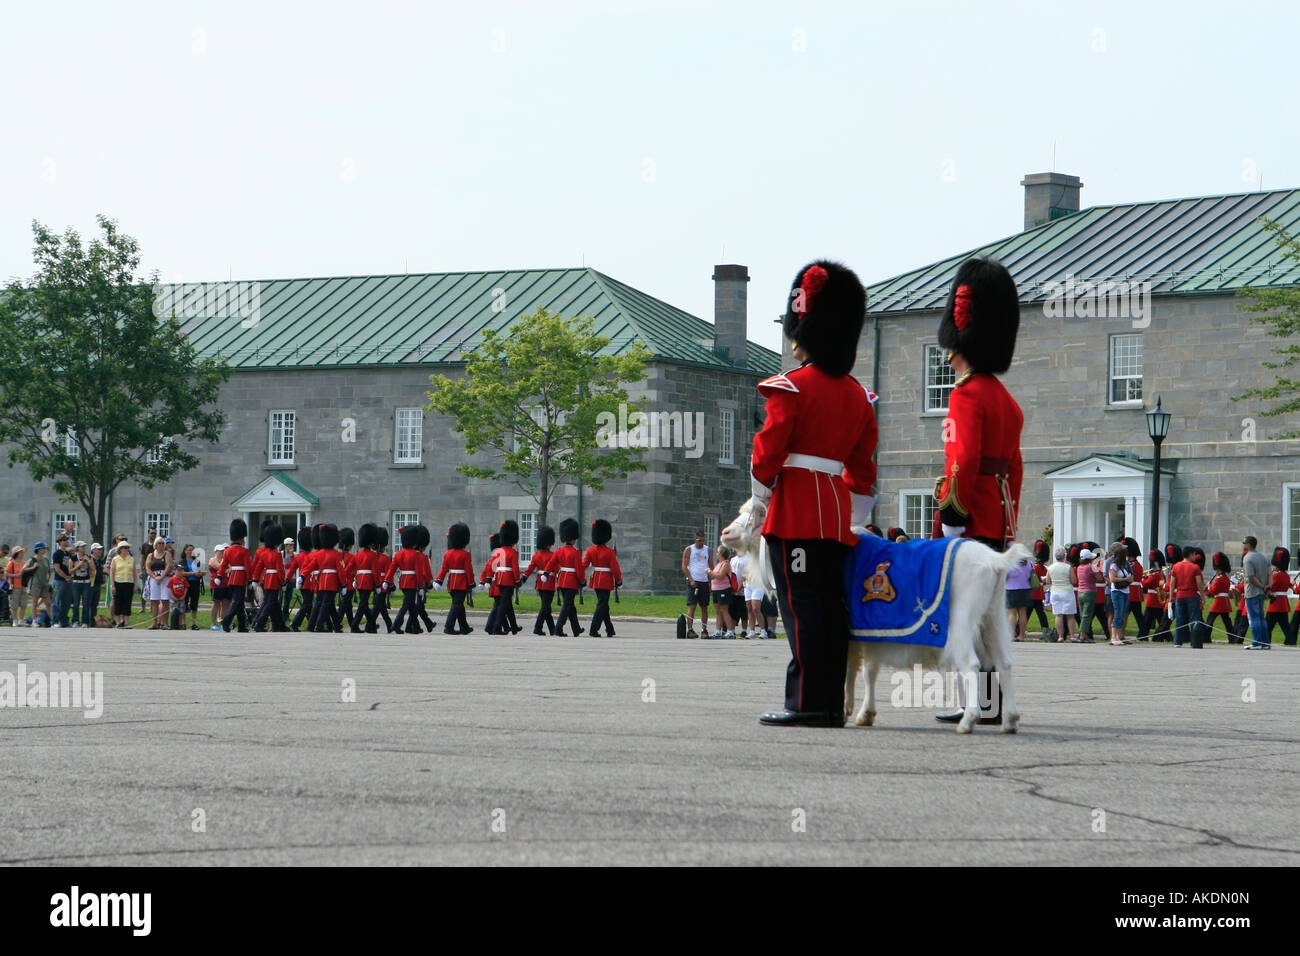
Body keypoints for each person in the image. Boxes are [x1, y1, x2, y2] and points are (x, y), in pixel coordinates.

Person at [752, 260, 878, 728]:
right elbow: (864, 467)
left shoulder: (792, 387)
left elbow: (768, 452)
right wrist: (857, 517)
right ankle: (828, 701)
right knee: (830, 606)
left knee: (802, 610)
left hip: (796, 511)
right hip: (837, 512)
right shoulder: (857, 395)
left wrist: (757, 504)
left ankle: (809, 702)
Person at [434, 522, 475, 635]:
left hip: (451, 583)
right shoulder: (466, 554)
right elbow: (469, 571)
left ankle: (464, 627)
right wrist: (472, 584)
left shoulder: (448, 554)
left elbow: (444, 569)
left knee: (459, 606)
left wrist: (439, 580)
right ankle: (448, 627)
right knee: (457, 605)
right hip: (461, 583)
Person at [584, 519, 621, 638]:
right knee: (602, 604)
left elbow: (583, 565)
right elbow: (615, 568)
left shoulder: (590, 550)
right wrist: (619, 580)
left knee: (604, 605)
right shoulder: (610, 552)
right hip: (605, 580)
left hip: (595, 579)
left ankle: (610, 629)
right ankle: (593, 629)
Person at [549, 519, 585, 637]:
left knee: (570, 605)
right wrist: (582, 580)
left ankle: (576, 629)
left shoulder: (559, 551)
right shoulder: (575, 553)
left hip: (561, 580)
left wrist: (545, 573)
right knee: (567, 605)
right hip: (571, 582)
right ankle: (558, 628)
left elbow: (551, 563)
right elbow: (579, 569)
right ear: (572, 538)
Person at [1168, 545, 1207, 648]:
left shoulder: (1176, 566)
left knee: (1180, 619)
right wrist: (1202, 596)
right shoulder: (1195, 567)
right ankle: (1195, 641)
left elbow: (1172, 583)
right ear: (1190, 555)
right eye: (1194, 554)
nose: (1195, 556)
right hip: (1192, 595)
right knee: (1194, 619)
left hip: (1180, 595)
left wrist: (1171, 595)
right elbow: (1199, 583)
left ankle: (1178, 641)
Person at [522, 525, 557, 635]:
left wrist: (523, 578)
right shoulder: (552, 555)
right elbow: (556, 569)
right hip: (549, 583)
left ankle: (553, 629)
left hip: (540, 584)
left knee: (546, 608)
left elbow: (530, 569)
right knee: (545, 608)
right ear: (549, 542)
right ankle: (538, 627)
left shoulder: (536, 555)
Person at [218, 520, 252, 632]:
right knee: (237, 602)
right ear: (242, 538)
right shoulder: (245, 551)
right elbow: (248, 566)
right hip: (240, 578)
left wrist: (219, 576)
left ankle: (242, 625)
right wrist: (251, 579)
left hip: (232, 577)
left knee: (240, 603)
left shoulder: (228, 551)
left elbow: (223, 565)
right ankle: (226, 620)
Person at [680, 530, 713, 639]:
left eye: (703, 541)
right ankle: (690, 629)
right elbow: (684, 566)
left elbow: (711, 566)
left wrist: (710, 580)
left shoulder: (708, 550)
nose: (701, 543)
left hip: (704, 581)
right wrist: (691, 579)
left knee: (704, 606)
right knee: (692, 605)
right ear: (695, 540)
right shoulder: (689, 550)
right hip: (693, 580)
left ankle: (704, 629)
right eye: (699, 541)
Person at [1241, 536, 1271, 649]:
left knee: (1254, 618)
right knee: (1260, 617)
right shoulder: (1263, 557)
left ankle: (1257, 642)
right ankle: (1265, 642)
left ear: (1249, 544)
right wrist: (1268, 587)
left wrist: (1263, 587)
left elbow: (1251, 577)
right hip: (1262, 592)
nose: (1243, 545)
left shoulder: (1248, 558)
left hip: (1252, 591)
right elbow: (1269, 573)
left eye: (1244, 543)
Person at [1262, 546, 1292, 648]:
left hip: (1275, 603)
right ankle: (1290, 641)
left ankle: (1266, 642)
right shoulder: (1286, 575)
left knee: (1268, 625)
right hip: (1283, 603)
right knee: (1285, 626)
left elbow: (1271, 587)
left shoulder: (1276, 575)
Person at [1046, 547, 1077, 642]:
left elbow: (1048, 581)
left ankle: (1060, 636)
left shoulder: (1050, 567)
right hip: (1067, 591)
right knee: (1070, 615)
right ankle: (1072, 636)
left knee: (1058, 615)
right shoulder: (1068, 567)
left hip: (1055, 591)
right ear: (1064, 556)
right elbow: (1074, 581)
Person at [1106, 542, 1133, 646]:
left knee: (1121, 614)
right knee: (1118, 613)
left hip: (1125, 590)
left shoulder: (1124, 565)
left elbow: (1132, 577)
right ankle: (1114, 636)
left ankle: (1118, 636)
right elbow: (1112, 578)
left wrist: (1128, 580)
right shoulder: (1114, 565)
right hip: (1117, 592)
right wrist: (1126, 579)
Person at [706, 545, 735, 639]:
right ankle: (718, 631)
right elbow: (715, 575)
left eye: (718, 552)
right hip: (716, 589)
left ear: (721, 554)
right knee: (718, 611)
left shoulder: (725, 564)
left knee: (724, 610)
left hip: (724, 589)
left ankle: (730, 631)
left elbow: (720, 576)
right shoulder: (718, 564)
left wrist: (710, 572)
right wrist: (711, 574)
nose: (716, 554)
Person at [1140, 550, 1169, 641]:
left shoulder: (1154, 575)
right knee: (1161, 621)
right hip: (1157, 600)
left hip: (1152, 600)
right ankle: (1167, 636)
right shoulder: (1160, 574)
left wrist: (1142, 579)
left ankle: (1142, 636)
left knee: (1147, 621)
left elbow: (1146, 584)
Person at [1205, 552, 1234, 642]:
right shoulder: (1225, 577)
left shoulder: (1219, 578)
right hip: (1224, 602)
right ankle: (1232, 638)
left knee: (1210, 620)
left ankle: (1206, 638)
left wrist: (1209, 586)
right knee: (1227, 622)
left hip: (1219, 602)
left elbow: (1214, 591)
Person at [144, 537, 172, 629]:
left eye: (162, 543)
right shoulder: (151, 555)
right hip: (154, 578)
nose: (161, 545)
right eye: (159, 543)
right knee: (154, 600)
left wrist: (162, 576)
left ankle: (164, 622)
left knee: (165, 600)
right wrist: (155, 577)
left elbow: (168, 565)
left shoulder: (167, 554)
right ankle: (155, 622)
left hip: (164, 577)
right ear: (155, 545)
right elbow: (147, 567)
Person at [1005, 553, 1033, 641]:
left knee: (1012, 613)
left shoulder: (1010, 564)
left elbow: (1004, 577)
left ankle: (1012, 635)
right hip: (1025, 589)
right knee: (1023, 613)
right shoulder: (1029, 564)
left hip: (1011, 589)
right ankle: (1021, 636)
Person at [109, 541, 136, 628]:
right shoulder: (115, 559)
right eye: (124, 548)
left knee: (127, 602)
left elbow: (134, 572)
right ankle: (118, 621)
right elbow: (112, 572)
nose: (126, 549)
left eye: (127, 548)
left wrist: (135, 584)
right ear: (120, 549)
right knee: (118, 601)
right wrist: (113, 585)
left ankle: (126, 622)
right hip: (118, 582)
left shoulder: (131, 559)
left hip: (128, 582)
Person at [1075, 549, 1098, 643]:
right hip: (1090, 591)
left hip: (1080, 592)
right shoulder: (1091, 567)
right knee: (1087, 615)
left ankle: (1082, 634)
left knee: (1082, 615)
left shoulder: (1079, 567)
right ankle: (1083, 635)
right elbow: (1099, 578)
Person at [28, 542, 53, 627]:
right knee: (35, 602)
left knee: (48, 603)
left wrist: (47, 579)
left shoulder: (46, 559)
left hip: (44, 584)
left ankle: (52, 621)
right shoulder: (32, 560)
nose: (45, 550)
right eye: (43, 548)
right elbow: (24, 569)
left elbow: (49, 571)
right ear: (38, 549)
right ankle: (34, 621)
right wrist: (33, 567)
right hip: (35, 583)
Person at [51, 533, 73, 628]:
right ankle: (55, 620)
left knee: (66, 602)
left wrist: (70, 576)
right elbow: (57, 568)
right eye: (64, 540)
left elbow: (71, 566)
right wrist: (65, 577)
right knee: (57, 601)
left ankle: (64, 620)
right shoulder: (57, 554)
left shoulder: (68, 554)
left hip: (68, 580)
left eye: (66, 540)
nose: (66, 542)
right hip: (59, 580)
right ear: (60, 542)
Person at [68, 541, 92, 627]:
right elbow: (70, 571)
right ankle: (75, 620)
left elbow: (93, 568)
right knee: (76, 602)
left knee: (86, 602)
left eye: (84, 547)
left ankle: (85, 621)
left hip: (86, 582)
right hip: (76, 582)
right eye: (82, 547)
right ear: (77, 548)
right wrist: (79, 565)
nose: (84, 548)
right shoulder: (73, 558)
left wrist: (88, 561)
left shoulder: (88, 557)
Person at [179, 544, 203, 630]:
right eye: (189, 549)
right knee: (184, 603)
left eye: (192, 550)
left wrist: (200, 574)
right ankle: (183, 623)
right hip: (185, 583)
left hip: (195, 583)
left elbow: (200, 570)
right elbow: (181, 573)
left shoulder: (197, 561)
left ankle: (194, 623)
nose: (191, 551)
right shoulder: (182, 561)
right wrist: (193, 573)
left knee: (194, 603)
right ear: (185, 551)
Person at [6, 546, 28, 626]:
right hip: (15, 586)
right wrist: (16, 575)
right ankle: (15, 620)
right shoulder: (11, 563)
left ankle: (21, 620)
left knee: (23, 604)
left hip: (24, 586)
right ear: (16, 554)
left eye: (22, 552)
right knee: (14, 604)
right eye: (20, 552)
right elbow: (6, 573)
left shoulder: (24, 563)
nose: (22, 554)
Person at [279, 536, 298, 620]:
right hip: (283, 578)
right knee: (280, 598)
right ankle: (279, 615)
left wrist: (291, 556)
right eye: (290, 545)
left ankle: (285, 615)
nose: (291, 547)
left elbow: (295, 564)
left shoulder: (294, 554)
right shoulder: (281, 553)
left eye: (292, 545)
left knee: (288, 599)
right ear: (286, 545)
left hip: (291, 579)